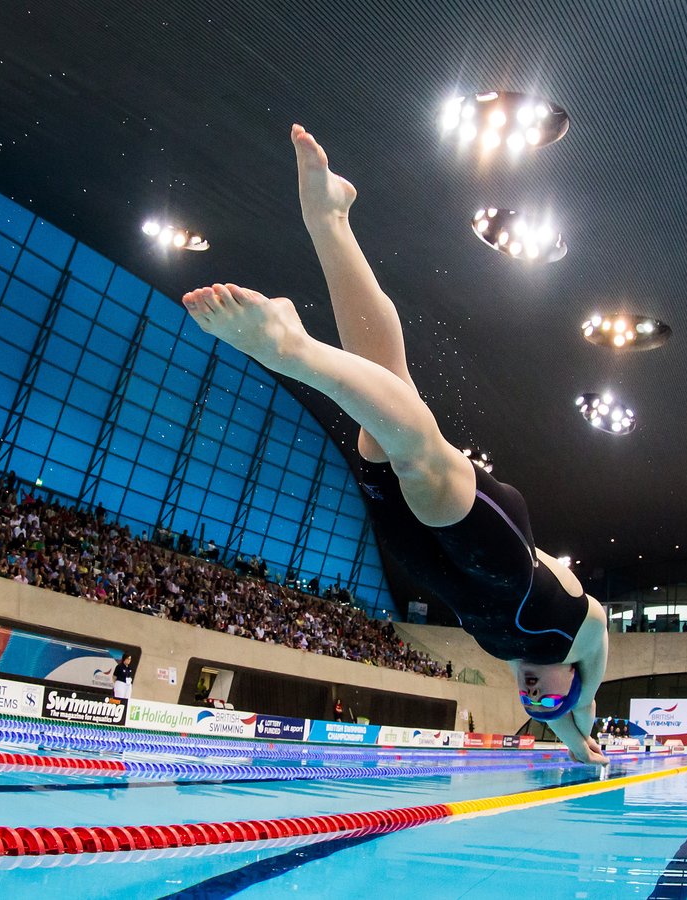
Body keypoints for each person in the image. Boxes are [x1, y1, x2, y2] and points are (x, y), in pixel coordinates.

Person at [179, 125, 610, 764]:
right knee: (420, 463)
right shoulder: (584, 641)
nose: (535, 697)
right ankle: (292, 350)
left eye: (532, 707)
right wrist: (579, 733)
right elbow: (586, 703)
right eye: (550, 700)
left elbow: (559, 715)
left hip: (433, 563)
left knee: (381, 400)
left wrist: (563, 733)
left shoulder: (512, 655)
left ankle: (330, 220)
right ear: (572, 687)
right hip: (500, 553)